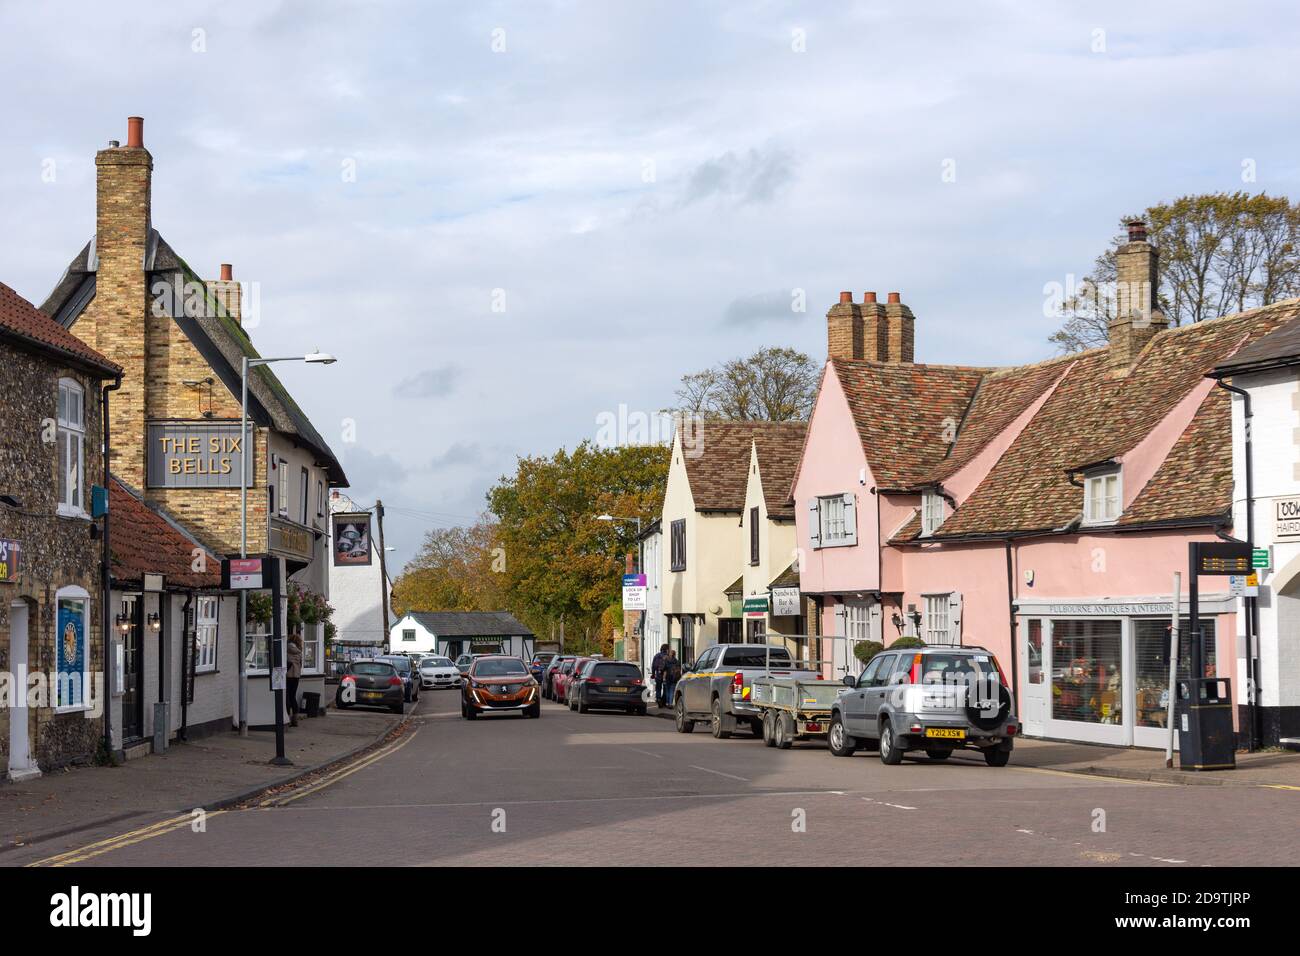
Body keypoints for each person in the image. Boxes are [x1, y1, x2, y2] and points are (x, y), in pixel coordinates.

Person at [286, 632, 304, 727]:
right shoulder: (299, 651)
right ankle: (295, 719)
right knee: (293, 697)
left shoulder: (286, 648)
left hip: (288, 675)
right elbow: (300, 664)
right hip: (296, 676)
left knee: (287, 697)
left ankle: (287, 719)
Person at [651, 643, 669, 708]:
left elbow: (653, 666)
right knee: (665, 688)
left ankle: (658, 699)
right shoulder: (667, 656)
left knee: (658, 688)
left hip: (658, 674)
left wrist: (653, 674)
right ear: (667, 649)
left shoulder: (656, 656)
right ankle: (663, 701)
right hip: (665, 675)